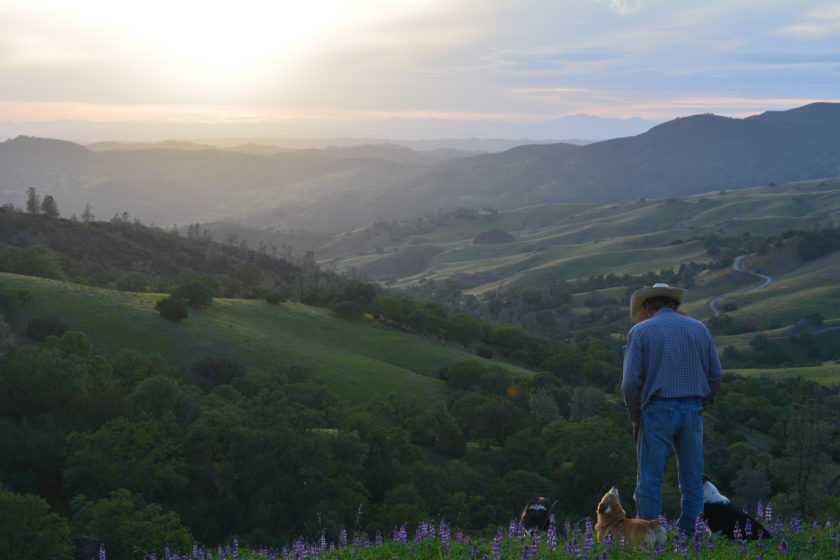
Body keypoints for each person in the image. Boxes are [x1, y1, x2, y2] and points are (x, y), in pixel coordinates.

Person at [621, 283, 722, 538]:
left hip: (657, 410)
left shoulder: (641, 331)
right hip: (692, 410)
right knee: (692, 478)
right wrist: (702, 403)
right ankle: (690, 535)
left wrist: (636, 417)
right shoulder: (699, 329)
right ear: (675, 304)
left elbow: (631, 382)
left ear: (646, 307)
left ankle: (649, 535)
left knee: (650, 479)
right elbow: (715, 375)